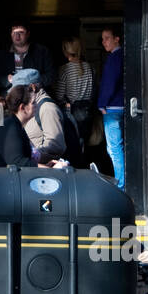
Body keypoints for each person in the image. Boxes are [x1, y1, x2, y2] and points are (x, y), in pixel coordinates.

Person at [14, 69, 81, 166]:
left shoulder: (47, 108)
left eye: (19, 90)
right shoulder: (32, 107)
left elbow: (56, 146)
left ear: (32, 87)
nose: (16, 95)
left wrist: (32, 156)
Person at [97, 26, 126, 192]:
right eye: (102, 39)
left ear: (117, 39)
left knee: (114, 148)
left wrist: (102, 104)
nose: (104, 42)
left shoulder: (114, 58)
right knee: (119, 147)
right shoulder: (123, 56)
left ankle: (121, 186)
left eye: (107, 38)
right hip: (122, 106)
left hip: (112, 108)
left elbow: (109, 83)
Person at [0, 23, 55, 96]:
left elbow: (51, 76)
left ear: (28, 34)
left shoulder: (42, 51)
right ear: (10, 34)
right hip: (10, 94)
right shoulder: (3, 54)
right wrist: (7, 79)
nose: (17, 36)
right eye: (14, 32)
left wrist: (34, 81)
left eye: (21, 32)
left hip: (35, 93)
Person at [0, 85, 37, 168]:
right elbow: (18, 162)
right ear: (23, 107)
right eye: (33, 103)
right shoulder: (10, 127)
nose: (36, 105)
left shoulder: (15, 123)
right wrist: (49, 169)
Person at [53, 36, 95, 133]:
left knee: (73, 142)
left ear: (65, 51)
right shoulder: (90, 68)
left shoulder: (64, 70)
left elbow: (59, 96)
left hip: (71, 111)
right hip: (87, 111)